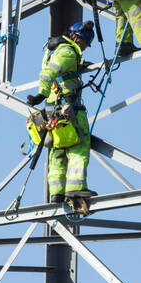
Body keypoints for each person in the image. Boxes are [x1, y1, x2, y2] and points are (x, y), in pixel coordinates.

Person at [26, 21, 96, 204]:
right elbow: (49, 73)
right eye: (83, 43)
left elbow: (60, 69)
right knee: (78, 147)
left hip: (52, 112)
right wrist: (41, 93)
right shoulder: (67, 52)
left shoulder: (54, 50)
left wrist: (79, 65)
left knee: (57, 150)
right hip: (69, 109)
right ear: (76, 37)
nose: (84, 47)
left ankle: (56, 193)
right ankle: (76, 189)